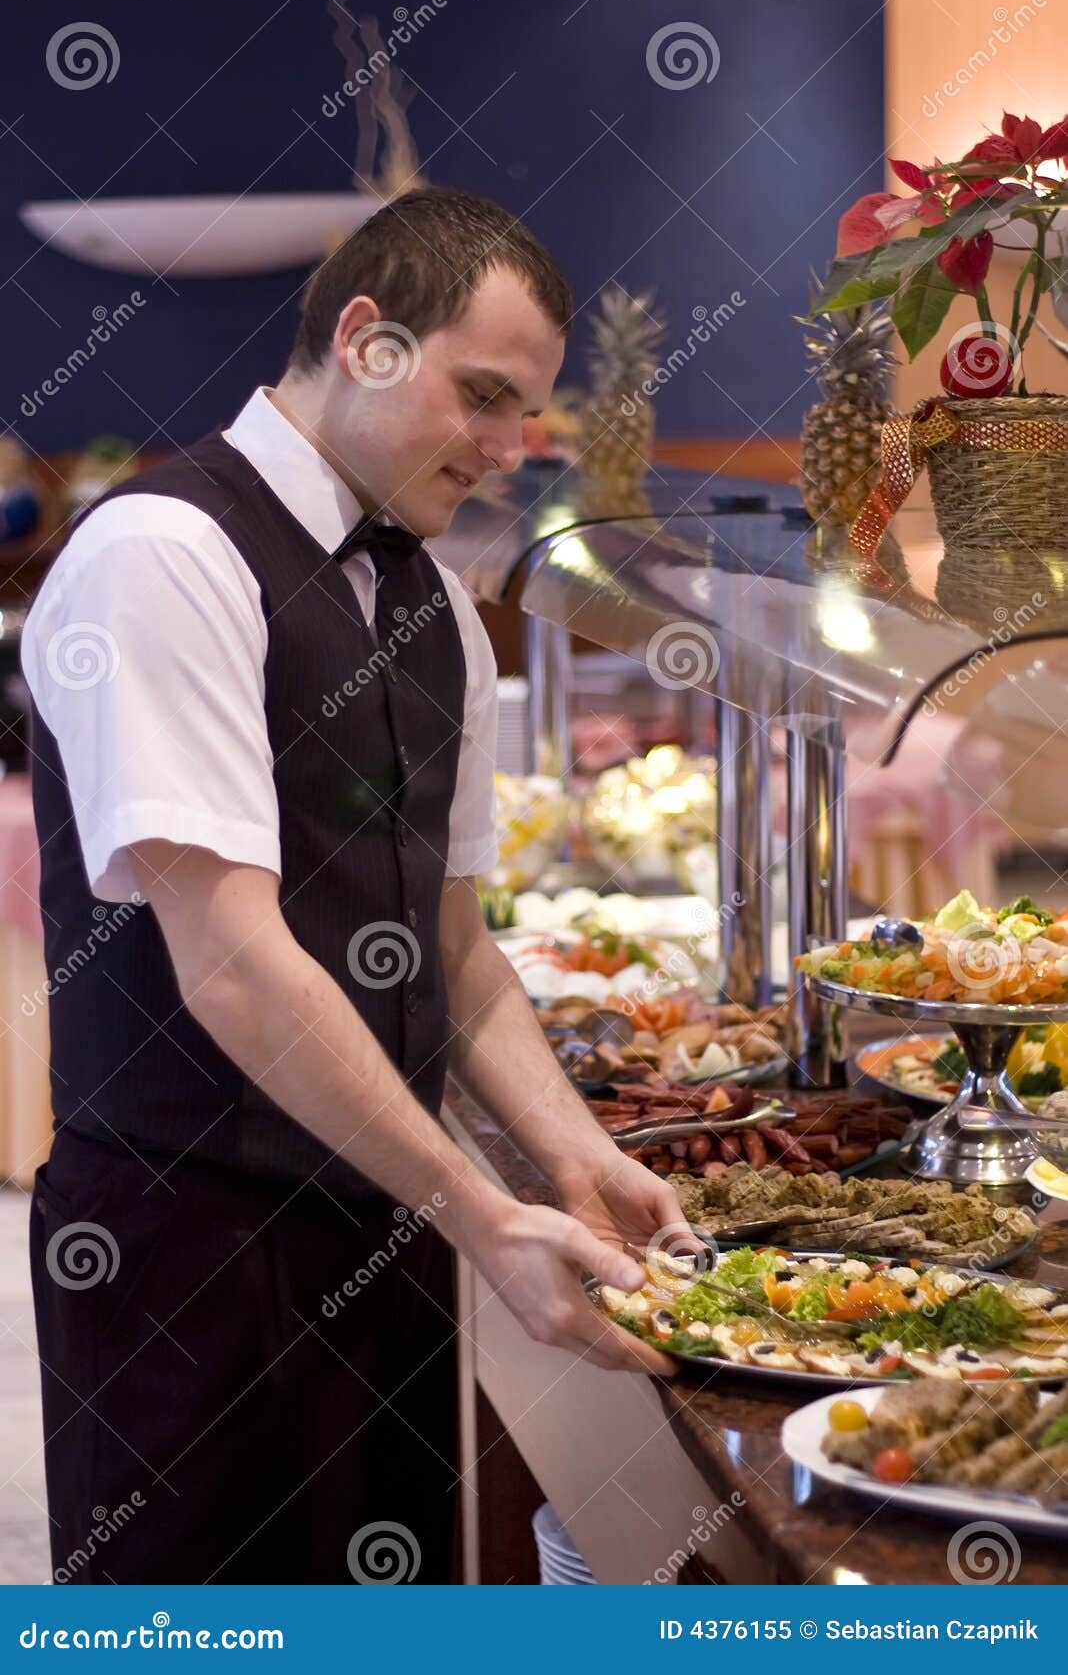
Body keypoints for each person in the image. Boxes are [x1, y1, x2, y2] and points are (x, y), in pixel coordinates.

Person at [21, 188, 686, 1585]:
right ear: (367, 339)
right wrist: (478, 1204)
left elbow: (460, 953)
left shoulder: (438, 607)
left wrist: (570, 1156)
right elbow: (232, 961)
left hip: (381, 1217)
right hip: (188, 1246)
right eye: (485, 396)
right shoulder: (166, 551)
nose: (512, 452)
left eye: (529, 415)